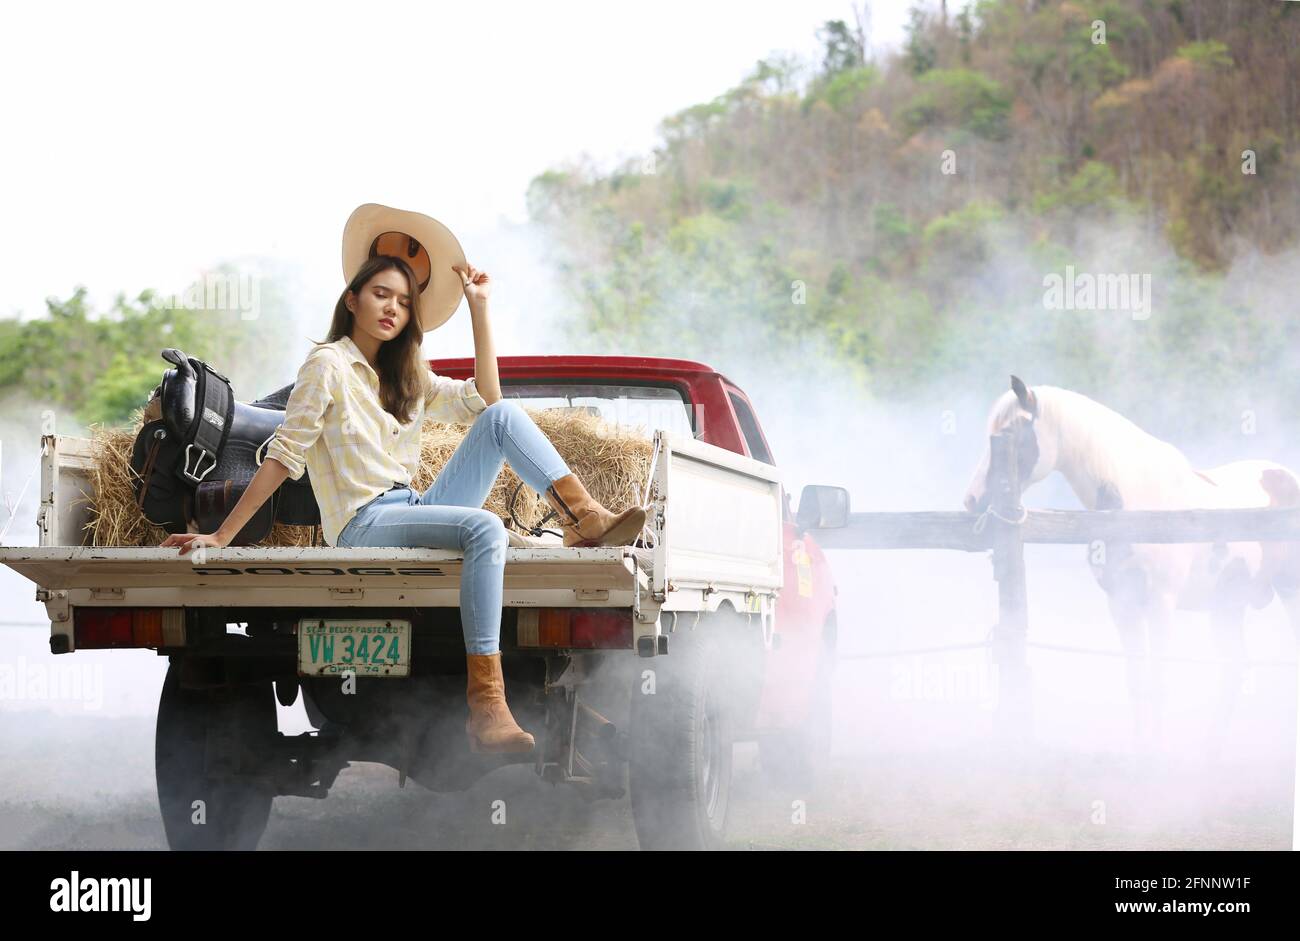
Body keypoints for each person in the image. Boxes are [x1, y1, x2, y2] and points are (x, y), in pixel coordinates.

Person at [162, 208, 646, 754]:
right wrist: (221, 536)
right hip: (362, 523)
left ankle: (583, 518)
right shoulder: (327, 366)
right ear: (352, 300)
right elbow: (284, 456)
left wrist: (479, 308)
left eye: (404, 301)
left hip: (410, 506)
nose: (393, 307)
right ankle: (487, 702)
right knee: (485, 528)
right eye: (380, 294)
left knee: (502, 417)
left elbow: (486, 399)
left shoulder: (406, 372)